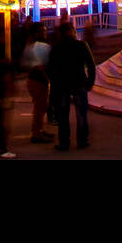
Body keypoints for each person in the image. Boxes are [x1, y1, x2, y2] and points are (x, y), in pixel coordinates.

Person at [46, 20, 95, 151]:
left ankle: (64, 142)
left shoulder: (56, 48)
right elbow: (91, 65)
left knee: (62, 115)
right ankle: (82, 140)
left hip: (61, 85)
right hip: (79, 82)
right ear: (72, 32)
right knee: (81, 114)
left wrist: (54, 81)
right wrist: (89, 82)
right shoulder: (81, 45)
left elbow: (49, 68)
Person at [23, 23, 53, 143]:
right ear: (36, 33)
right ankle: (36, 133)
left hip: (36, 79)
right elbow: (41, 65)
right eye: (42, 31)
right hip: (38, 80)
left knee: (41, 106)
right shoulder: (39, 46)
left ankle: (39, 130)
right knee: (39, 107)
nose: (44, 33)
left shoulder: (31, 45)